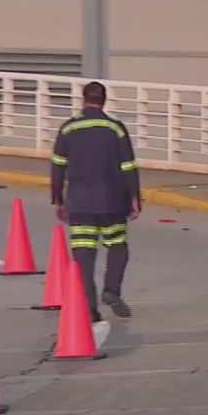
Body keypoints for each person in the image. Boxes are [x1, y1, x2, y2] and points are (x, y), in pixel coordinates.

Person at [50, 81, 141, 321]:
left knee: (83, 254)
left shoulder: (68, 128)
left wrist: (58, 199)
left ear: (83, 99)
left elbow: (58, 166)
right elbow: (128, 166)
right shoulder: (116, 128)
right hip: (113, 201)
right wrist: (135, 198)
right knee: (117, 246)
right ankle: (111, 290)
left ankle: (89, 310)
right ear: (104, 100)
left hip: (80, 202)